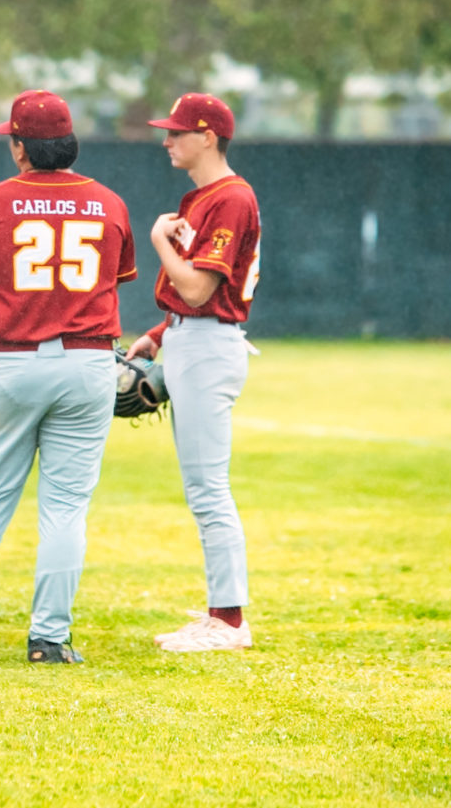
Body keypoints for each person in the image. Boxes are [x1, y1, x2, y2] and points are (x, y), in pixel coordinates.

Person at [0, 90, 136, 665]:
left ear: (20, 148)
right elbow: (114, 280)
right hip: (88, 359)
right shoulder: (109, 203)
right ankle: (48, 638)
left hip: (13, 358)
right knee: (65, 507)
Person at [129, 92, 261, 653]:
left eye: (178, 132)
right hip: (190, 339)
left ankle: (229, 621)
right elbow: (193, 297)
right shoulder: (205, 196)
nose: (168, 140)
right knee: (201, 488)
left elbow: (200, 288)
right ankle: (218, 612)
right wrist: (159, 334)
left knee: (209, 489)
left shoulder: (230, 198)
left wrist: (159, 240)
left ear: (208, 137)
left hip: (209, 346)